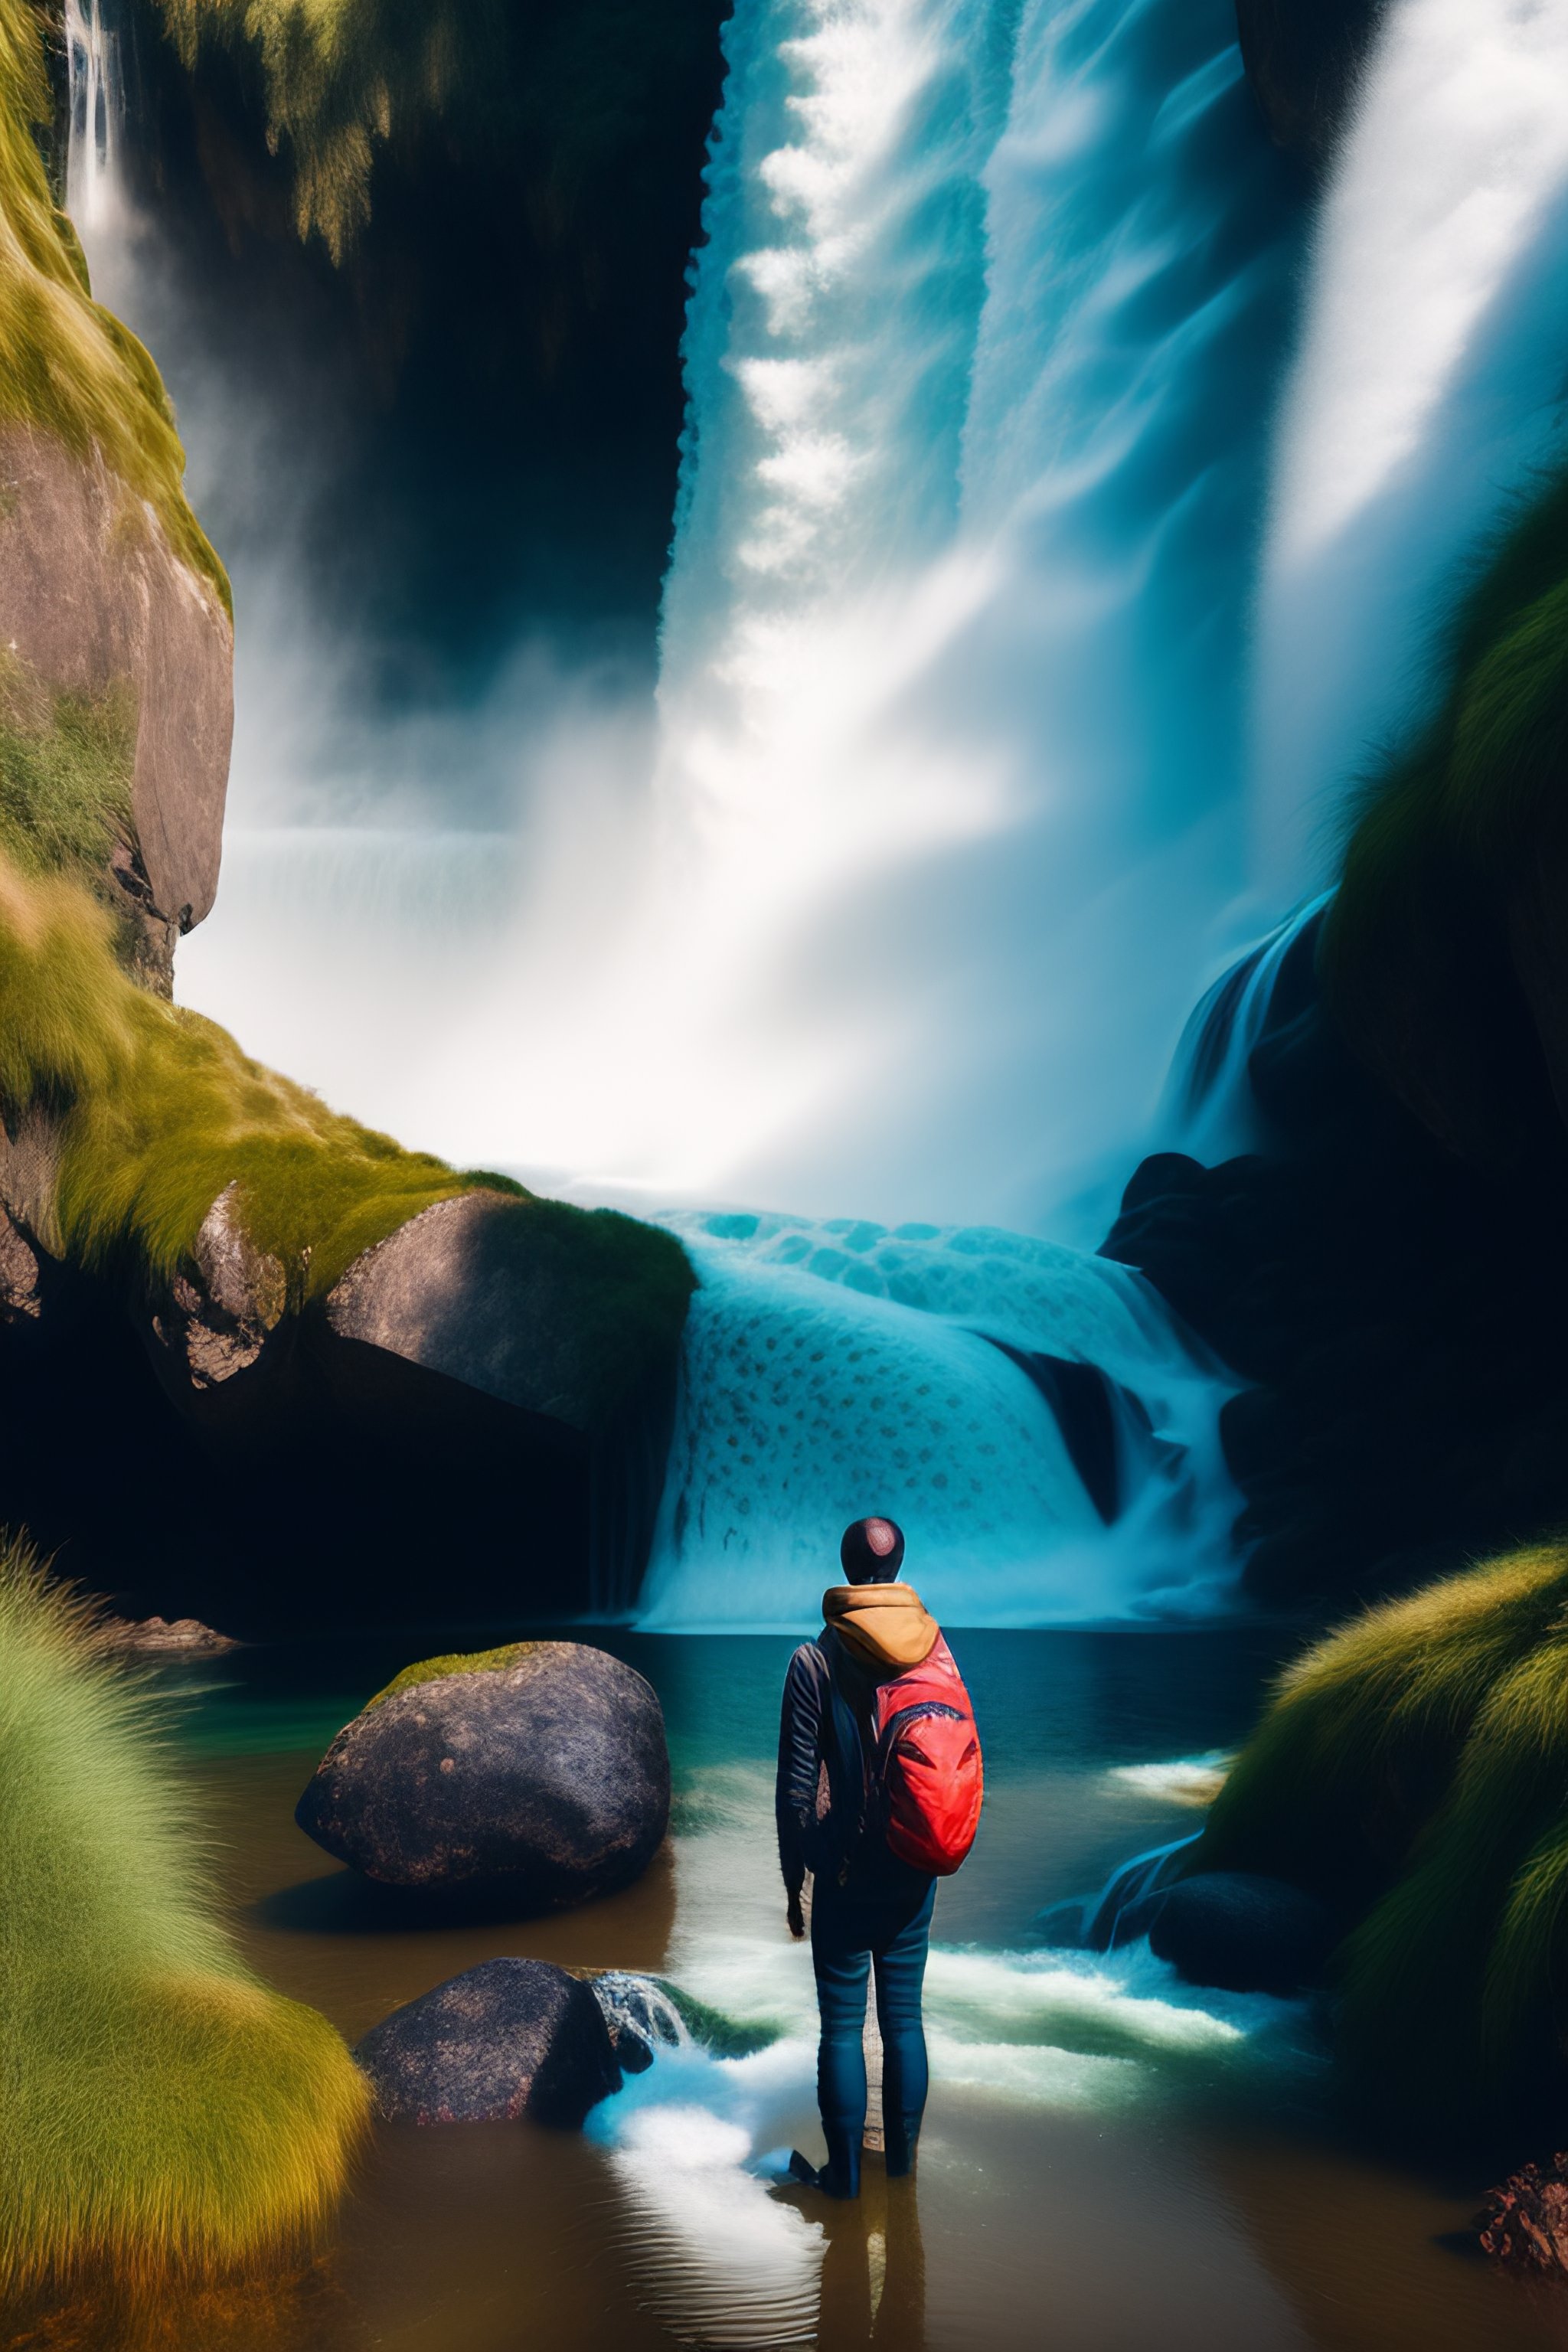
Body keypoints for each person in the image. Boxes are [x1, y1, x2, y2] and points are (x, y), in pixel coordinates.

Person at [776, 1515, 971, 2199]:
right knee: (903, 2020)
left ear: (845, 1566)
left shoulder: (814, 1659)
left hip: (845, 1871)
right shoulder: (934, 1646)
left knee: (841, 2028)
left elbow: (796, 1792)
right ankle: (903, 2170)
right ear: (897, 1568)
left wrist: (796, 1884)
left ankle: (845, 2183)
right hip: (914, 1867)